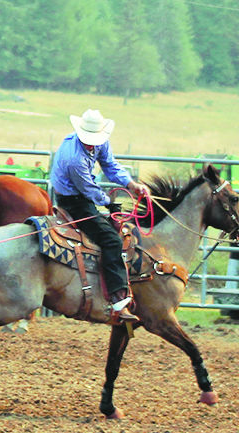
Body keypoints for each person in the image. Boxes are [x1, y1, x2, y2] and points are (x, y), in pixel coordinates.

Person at [49, 109, 151, 325]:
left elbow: (110, 165)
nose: (92, 144)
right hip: (73, 201)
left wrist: (131, 184)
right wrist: (107, 201)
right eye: (89, 141)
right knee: (111, 240)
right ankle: (117, 299)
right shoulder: (74, 158)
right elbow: (88, 189)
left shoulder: (100, 143)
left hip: (82, 195)